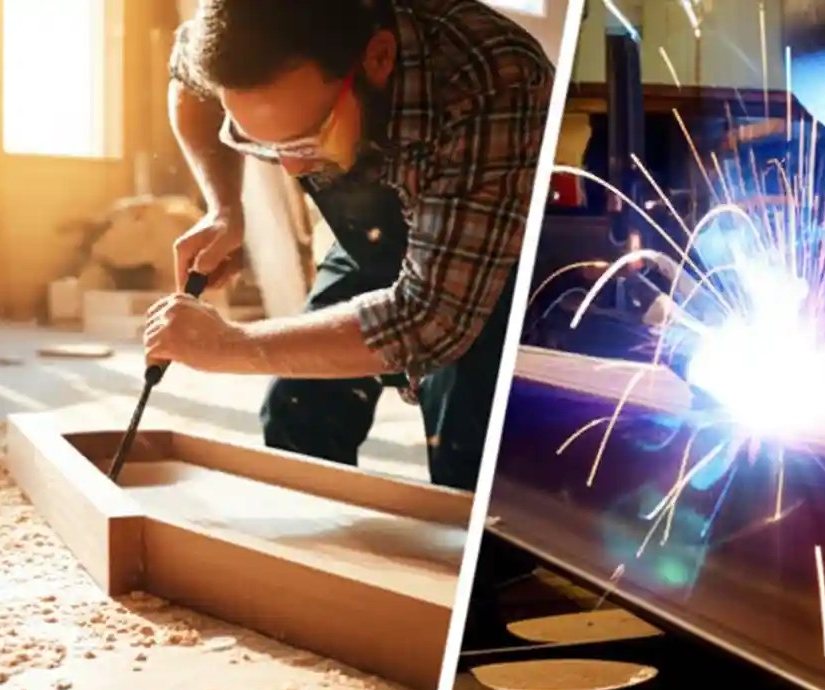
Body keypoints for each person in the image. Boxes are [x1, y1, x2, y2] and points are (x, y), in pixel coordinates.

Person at [146, 0, 553, 491]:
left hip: (489, 253)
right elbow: (185, 85)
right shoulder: (240, 39)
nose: (294, 170)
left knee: (470, 457)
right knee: (297, 416)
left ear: (377, 58)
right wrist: (224, 208)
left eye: (307, 139)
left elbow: (430, 318)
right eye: (269, 146)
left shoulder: (493, 75)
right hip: (377, 236)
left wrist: (228, 345)